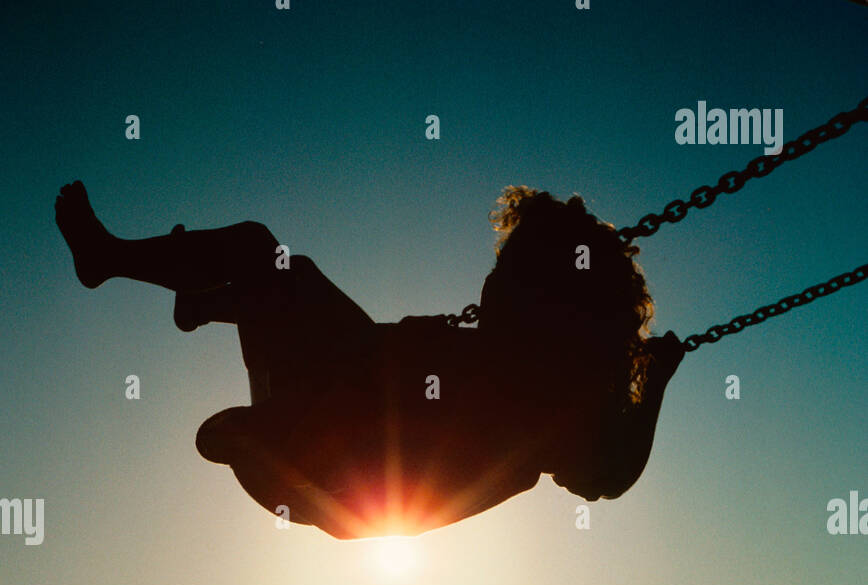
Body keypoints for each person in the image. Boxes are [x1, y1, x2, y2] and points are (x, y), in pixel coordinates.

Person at [55, 181, 685, 539]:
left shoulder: (547, 407)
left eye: (510, 276)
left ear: (552, 304)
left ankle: (210, 328)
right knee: (264, 254)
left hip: (332, 478)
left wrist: (654, 381)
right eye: (500, 270)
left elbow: (609, 476)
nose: (491, 285)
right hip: (331, 404)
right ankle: (133, 271)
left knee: (265, 274)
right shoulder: (485, 351)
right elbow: (356, 344)